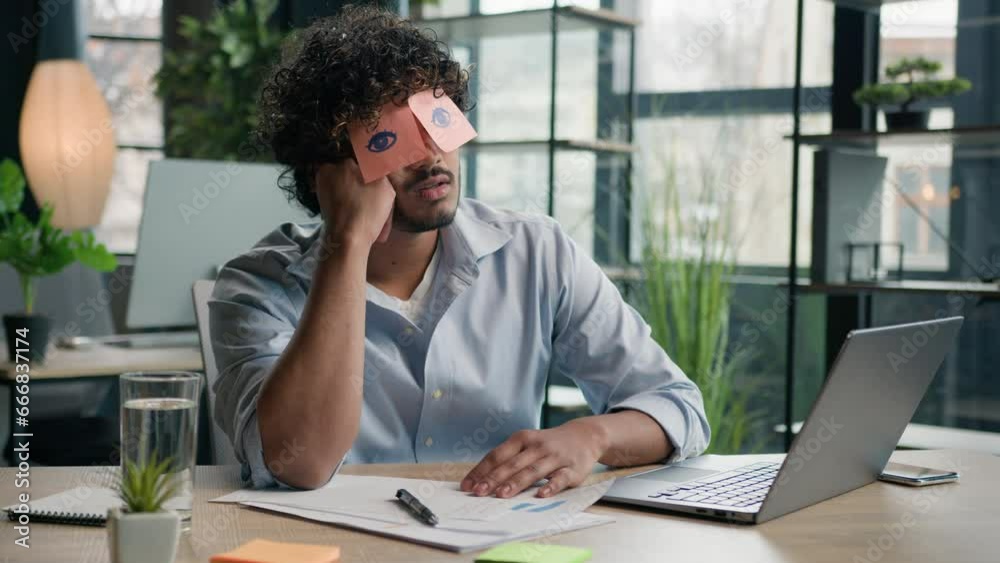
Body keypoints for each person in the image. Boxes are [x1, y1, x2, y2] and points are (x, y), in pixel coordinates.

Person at [209, 5, 709, 495]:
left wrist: (592, 436)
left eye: (438, 123)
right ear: (329, 174)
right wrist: (346, 244)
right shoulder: (257, 287)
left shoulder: (536, 252)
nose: (430, 156)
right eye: (390, 139)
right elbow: (300, 464)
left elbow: (676, 407)